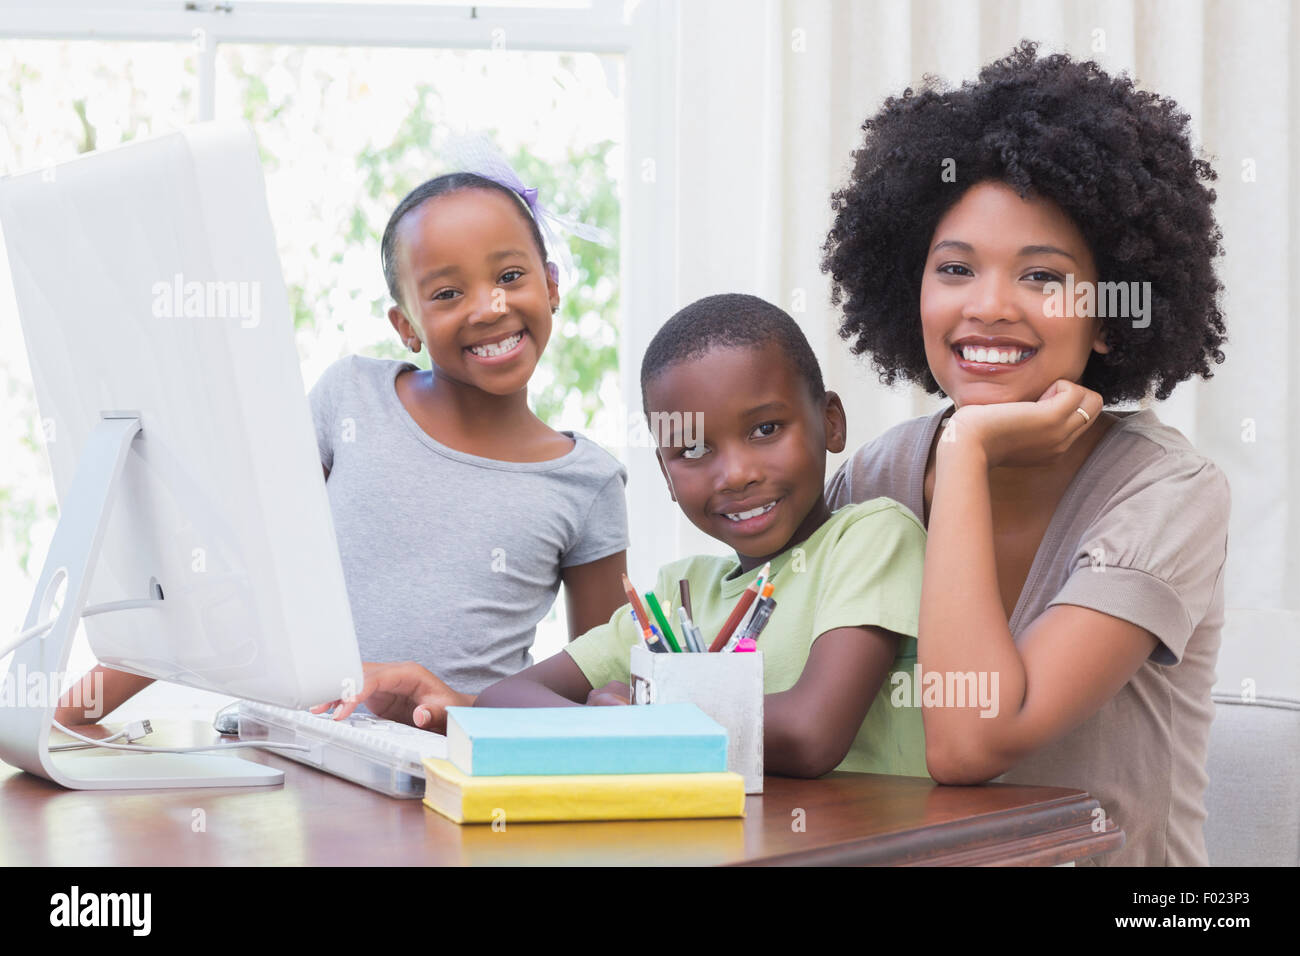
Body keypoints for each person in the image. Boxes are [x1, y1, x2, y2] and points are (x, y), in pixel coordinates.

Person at [821, 40, 1230, 864]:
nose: (989, 306)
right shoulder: (873, 479)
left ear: (1110, 315)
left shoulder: (1169, 493)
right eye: (955, 268)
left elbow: (972, 742)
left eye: (1041, 277)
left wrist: (968, 451)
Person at [56, 168, 630, 734]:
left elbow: (592, 690)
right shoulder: (351, 398)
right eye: (448, 293)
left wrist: (457, 710)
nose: (488, 307)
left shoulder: (587, 482)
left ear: (551, 286)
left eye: (509, 275)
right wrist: (55, 719)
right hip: (291, 748)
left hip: (450, 777)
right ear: (406, 325)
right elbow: (230, 574)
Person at [471, 294, 929, 778]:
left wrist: (644, 720)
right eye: (692, 449)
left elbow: (811, 733)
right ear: (666, 476)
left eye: (765, 428)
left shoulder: (873, 537)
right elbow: (499, 700)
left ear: (830, 422)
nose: (734, 475)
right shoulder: (677, 596)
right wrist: (609, 725)